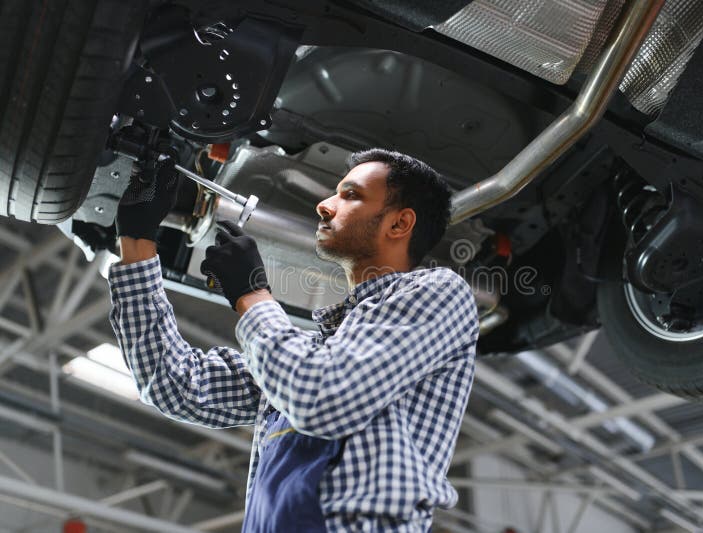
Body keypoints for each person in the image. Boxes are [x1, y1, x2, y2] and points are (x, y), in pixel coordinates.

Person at [108, 148, 479, 532]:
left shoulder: (439, 292)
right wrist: (136, 242)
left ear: (400, 224)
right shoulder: (304, 357)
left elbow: (323, 398)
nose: (324, 204)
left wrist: (251, 295)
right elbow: (177, 385)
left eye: (350, 195)